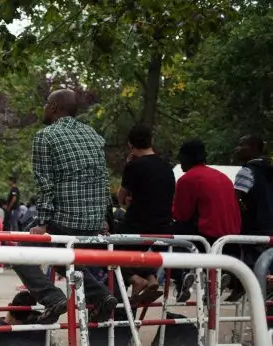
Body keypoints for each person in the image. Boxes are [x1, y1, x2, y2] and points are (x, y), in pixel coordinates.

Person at [13, 89, 117, 324]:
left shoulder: (45, 136)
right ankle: (101, 296)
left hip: (65, 221)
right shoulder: (93, 135)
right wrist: (104, 221)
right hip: (91, 224)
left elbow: (45, 185)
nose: (43, 108)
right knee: (62, 260)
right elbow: (103, 180)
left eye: (45, 104)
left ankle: (52, 298)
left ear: (54, 107)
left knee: (18, 254)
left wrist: (41, 223)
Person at [172, 139, 241, 302]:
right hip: (232, 238)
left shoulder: (188, 179)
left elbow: (181, 214)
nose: (180, 164)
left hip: (206, 234)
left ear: (186, 158)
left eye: (180, 159)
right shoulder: (223, 177)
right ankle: (215, 281)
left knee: (170, 235)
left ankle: (182, 276)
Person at [116, 124, 175, 304]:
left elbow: (121, 197)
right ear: (152, 141)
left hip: (137, 224)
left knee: (110, 250)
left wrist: (128, 166)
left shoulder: (134, 166)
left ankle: (136, 280)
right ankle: (151, 279)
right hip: (163, 227)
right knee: (140, 256)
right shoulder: (167, 167)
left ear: (130, 145)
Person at [232, 135, 273, 300]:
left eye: (242, 145)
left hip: (255, 232)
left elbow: (234, 200)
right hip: (270, 228)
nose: (237, 148)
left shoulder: (247, 171)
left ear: (254, 148)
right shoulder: (269, 170)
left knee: (256, 274)